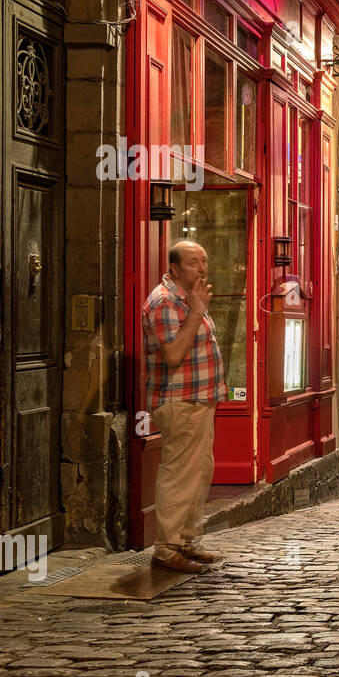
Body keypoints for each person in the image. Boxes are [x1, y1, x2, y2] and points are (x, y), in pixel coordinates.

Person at [142, 240, 227, 573]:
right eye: (194, 263)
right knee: (180, 474)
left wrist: (196, 308)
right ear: (174, 268)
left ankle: (187, 541)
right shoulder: (165, 302)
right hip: (180, 401)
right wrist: (195, 313)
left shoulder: (189, 299)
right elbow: (174, 354)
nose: (203, 268)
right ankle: (167, 547)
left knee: (198, 472)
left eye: (204, 261)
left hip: (200, 399)